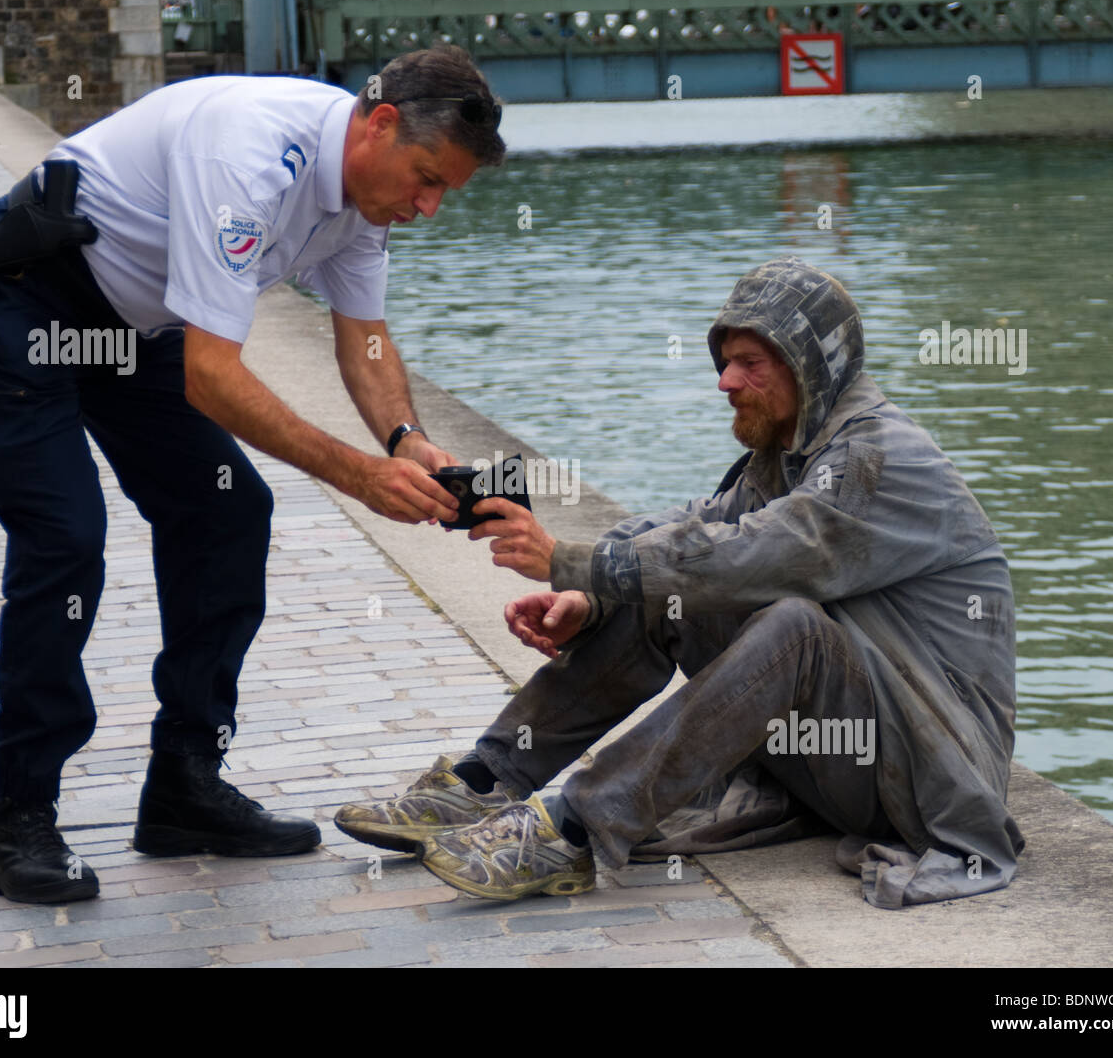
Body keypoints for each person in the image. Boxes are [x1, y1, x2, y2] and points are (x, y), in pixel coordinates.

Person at [0, 46, 505, 904]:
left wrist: (405, 438)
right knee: (65, 539)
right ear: (381, 122)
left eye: (444, 193)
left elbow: (366, 335)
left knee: (228, 514)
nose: (426, 208)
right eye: (426, 179)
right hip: (22, 297)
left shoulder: (365, 193)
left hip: (137, 324)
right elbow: (212, 374)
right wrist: (361, 476)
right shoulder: (247, 155)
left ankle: (184, 786)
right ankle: (18, 818)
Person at [336, 256, 1024, 909]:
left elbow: (761, 553)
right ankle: (487, 780)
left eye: (750, 364)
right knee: (663, 583)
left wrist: (570, 560)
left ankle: (575, 825)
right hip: (837, 759)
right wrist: (592, 594)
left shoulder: (882, 457)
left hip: (924, 776)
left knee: (793, 628)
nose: (725, 381)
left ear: (813, 369)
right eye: (725, 362)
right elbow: (699, 528)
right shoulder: (788, 452)